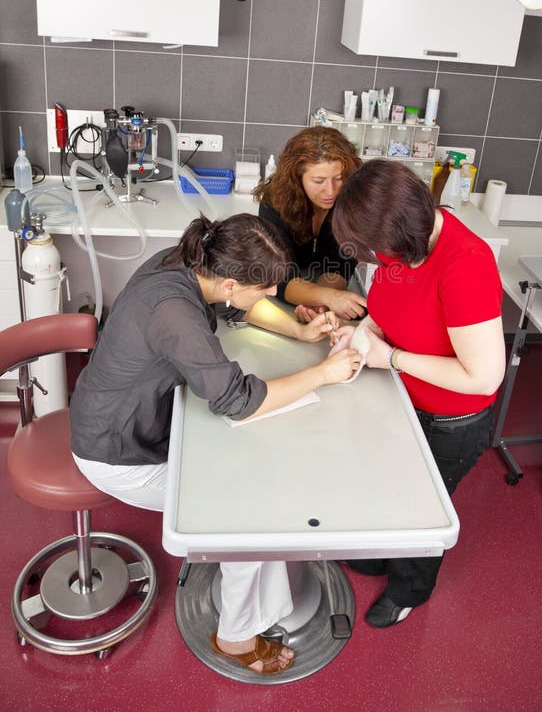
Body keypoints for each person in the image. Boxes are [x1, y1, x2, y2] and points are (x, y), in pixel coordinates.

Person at [70, 213, 361, 673]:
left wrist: (301, 331)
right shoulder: (173, 310)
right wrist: (323, 374)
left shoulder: (186, 262)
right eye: (263, 289)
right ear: (228, 281)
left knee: (254, 481)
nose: (272, 298)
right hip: (115, 450)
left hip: (130, 415)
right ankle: (236, 637)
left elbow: (240, 307)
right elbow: (238, 401)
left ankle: (262, 603)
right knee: (243, 518)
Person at [331, 159, 506, 629]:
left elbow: (483, 378)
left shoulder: (465, 264)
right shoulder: (399, 246)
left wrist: (388, 358)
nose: (377, 260)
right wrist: (361, 333)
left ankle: (411, 590)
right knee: (388, 484)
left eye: (379, 252)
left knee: (424, 509)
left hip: (452, 423)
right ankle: (379, 554)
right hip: (404, 401)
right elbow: (385, 308)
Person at [254, 126, 367, 322]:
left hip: (317, 292)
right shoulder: (275, 201)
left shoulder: (352, 202)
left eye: (338, 178)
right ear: (297, 178)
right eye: (319, 181)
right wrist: (329, 298)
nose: (330, 191)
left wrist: (321, 305)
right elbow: (279, 277)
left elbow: (340, 266)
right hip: (280, 299)